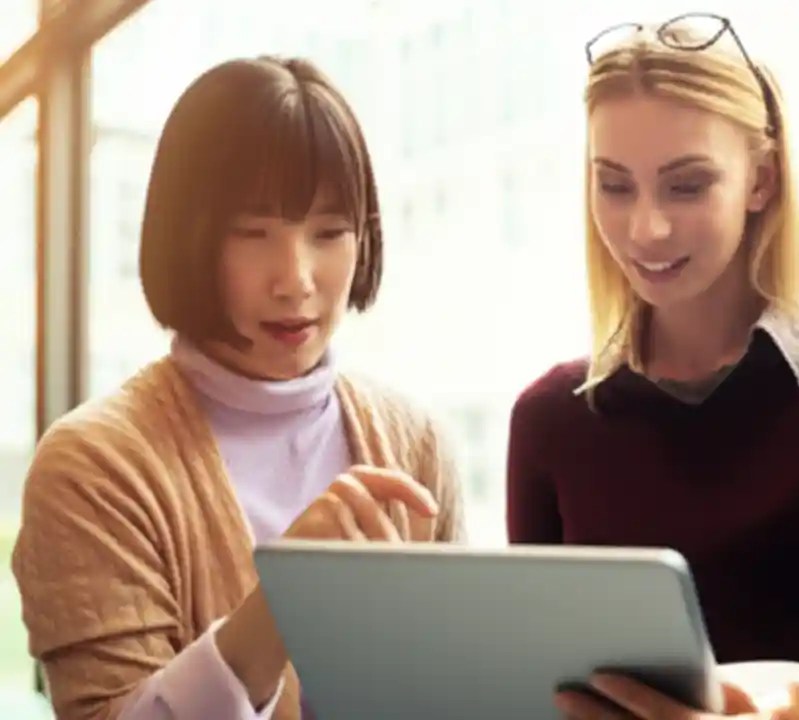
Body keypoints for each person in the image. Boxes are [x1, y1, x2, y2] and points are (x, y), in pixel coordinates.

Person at [506, 13, 799, 720]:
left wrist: (760, 698)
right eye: (615, 185)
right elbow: (540, 676)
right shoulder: (550, 418)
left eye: (686, 185)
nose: (646, 229)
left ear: (760, 179)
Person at [11, 56, 464, 720]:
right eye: (253, 234)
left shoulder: (414, 441)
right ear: (186, 236)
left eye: (330, 232)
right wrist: (279, 608)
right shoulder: (93, 465)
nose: (296, 278)